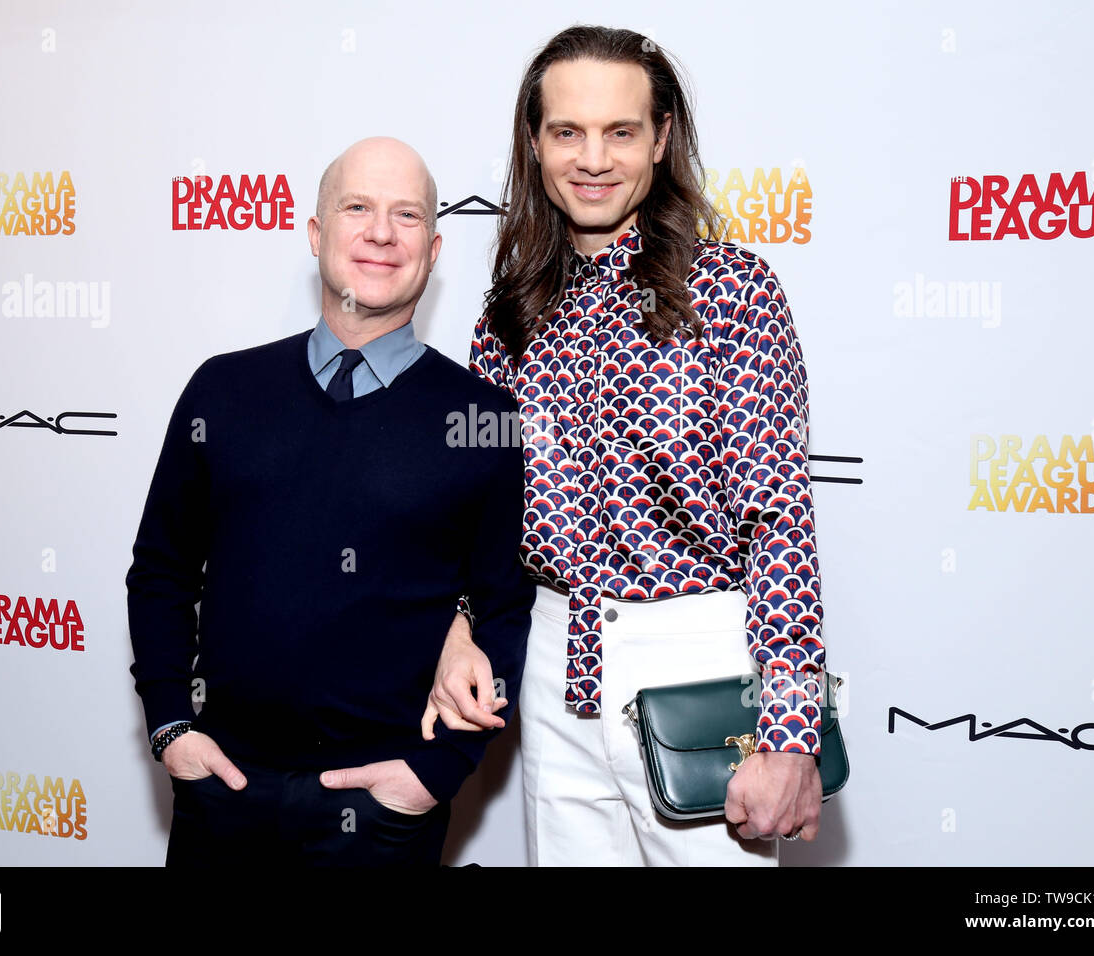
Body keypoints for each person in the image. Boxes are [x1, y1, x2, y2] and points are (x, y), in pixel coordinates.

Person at [421, 25, 828, 866]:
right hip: (551, 660)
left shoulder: (732, 292)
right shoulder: (509, 314)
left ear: (662, 139)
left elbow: (781, 517)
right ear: (534, 144)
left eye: (621, 131)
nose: (592, 158)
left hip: (703, 667)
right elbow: (478, 518)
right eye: (567, 131)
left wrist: (790, 729)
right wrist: (460, 624)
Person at [126, 136, 533, 866]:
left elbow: (503, 607)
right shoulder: (222, 390)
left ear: (434, 250)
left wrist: (434, 775)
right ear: (316, 234)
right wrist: (169, 727)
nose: (381, 233)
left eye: (406, 215)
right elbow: (161, 569)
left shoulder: (483, 418)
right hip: (221, 791)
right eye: (358, 208)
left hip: (381, 812)